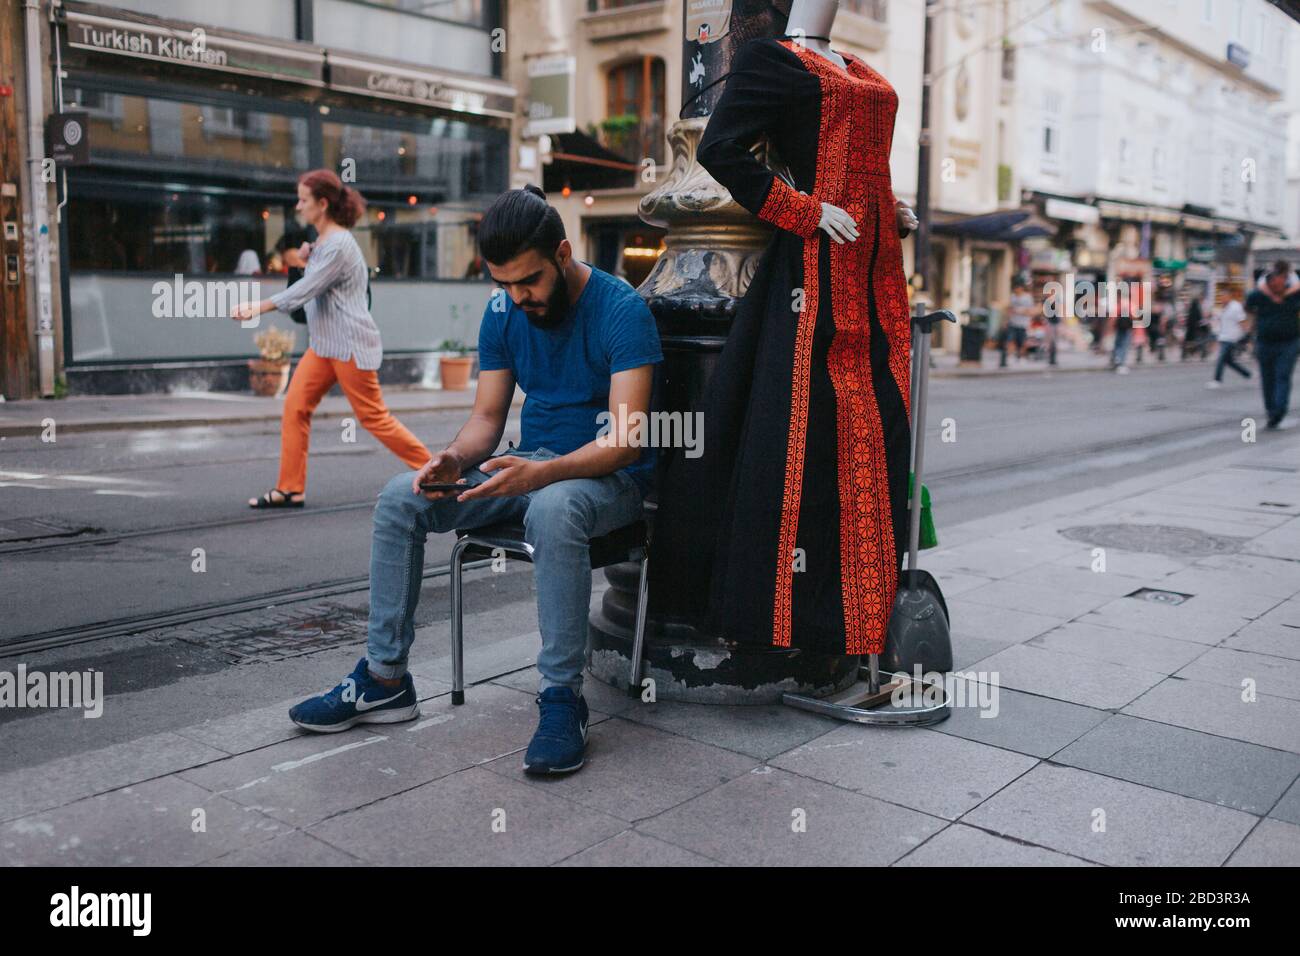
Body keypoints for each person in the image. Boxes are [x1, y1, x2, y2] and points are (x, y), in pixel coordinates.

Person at [284, 185, 663, 775]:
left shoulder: (622, 310)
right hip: (525, 468)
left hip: (606, 482)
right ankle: (386, 680)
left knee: (554, 507)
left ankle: (562, 698)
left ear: (563, 253)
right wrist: (453, 461)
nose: (517, 298)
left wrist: (542, 474)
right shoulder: (504, 311)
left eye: (529, 282)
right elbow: (486, 421)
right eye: (503, 284)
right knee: (399, 497)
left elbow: (624, 440)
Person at [231, 169, 430, 506]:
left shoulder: (338, 245)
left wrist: (258, 307)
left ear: (322, 204)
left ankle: (438, 472)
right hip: (325, 347)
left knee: (373, 418)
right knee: (295, 408)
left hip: (350, 345)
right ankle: (290, 488)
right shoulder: (324, 242)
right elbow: (315, 274)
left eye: (304, 200)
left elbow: (306, 290)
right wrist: (308, 254)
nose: (298, 206)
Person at [1243, 261, 1300, 428]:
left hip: (1289, 343)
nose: (1276, 283)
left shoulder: (1294, 293)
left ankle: (1278, 411)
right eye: (1273, 280)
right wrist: (1252, 323)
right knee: (1267, 378)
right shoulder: (1260, 293)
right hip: (1265, 342)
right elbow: (1247, 306)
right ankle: (1270, 411)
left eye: (1280, 279)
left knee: (1282, 376)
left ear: (1285, 279)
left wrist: (1286, 293)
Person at [1207, 294, 1251, 388]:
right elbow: (1220, 322)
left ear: (1229, 297)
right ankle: (1247, 374)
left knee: (1221, 358)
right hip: (1223, 336)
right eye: (1221, 298)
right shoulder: (1223, 308)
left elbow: (1242, 320)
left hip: (1232, 337)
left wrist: (1246, 336)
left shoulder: (1236, 307)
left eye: (1223, 297)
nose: (1222, 300)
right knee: (1229, 361)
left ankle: (1217, 380)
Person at [1000, 281, 1034, 366]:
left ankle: (1021, 357)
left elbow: (1030, 311)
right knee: (1010, 340)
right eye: (1015, 288)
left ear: (1021, 288)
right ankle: (1009, 357)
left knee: (1021, 342)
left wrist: (1020, 311)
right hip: (1013, 323)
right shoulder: (1013, 297)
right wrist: (1006, 320)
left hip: (1023, 323)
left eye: (1017, 288)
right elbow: (1009, 309)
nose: (1016, 290)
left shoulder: (1027, 298)